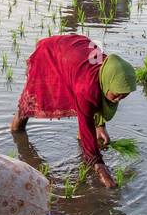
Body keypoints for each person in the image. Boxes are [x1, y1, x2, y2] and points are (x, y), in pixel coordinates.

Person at [10, 34, 137, 187]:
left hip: (75, 51)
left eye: (125, 95)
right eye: (117, 94)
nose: (119, 99)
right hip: (50, 53)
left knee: (85, 103)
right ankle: (16, 132)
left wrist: (100, 126)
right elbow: (86, 117)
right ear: (108, 82)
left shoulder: (108, 68)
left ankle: (82, 141)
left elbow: (99, 100)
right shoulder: (86, 87)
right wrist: (100, 168)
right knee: (31, 100)